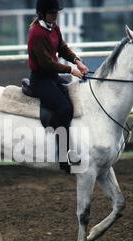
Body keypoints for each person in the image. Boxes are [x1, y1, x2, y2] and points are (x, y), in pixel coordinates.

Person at [27, 0, 89, 170]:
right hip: (40, 79)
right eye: (52, 13)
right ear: (42, 13)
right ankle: (63, 157)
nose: (55, 15)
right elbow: (46, 63)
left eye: (56, 12)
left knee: (75, 100)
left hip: (52, 77)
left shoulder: (53, 27)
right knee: (64, 109)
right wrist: (71, 70)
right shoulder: (36, 34)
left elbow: (62, 47)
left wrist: (78, 61)